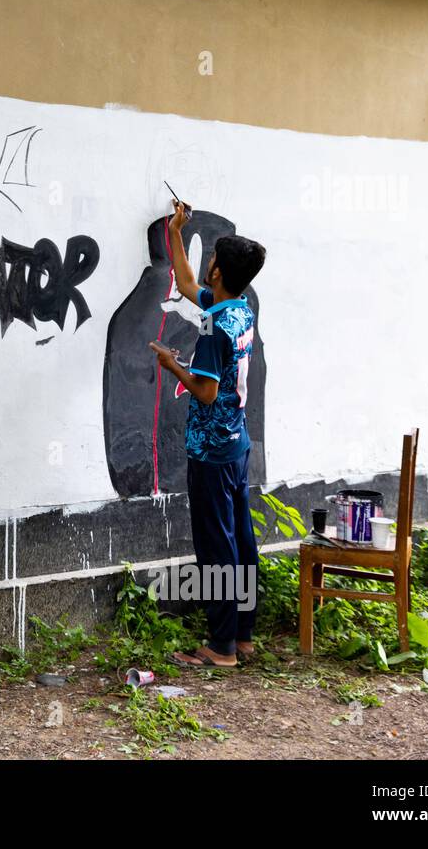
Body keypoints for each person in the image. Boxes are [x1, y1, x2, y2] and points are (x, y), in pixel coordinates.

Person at [148, 199, 266, 668]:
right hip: (236, 447)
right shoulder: (237, 310)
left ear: (219, 270)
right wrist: (176, 230)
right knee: (240, 538)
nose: (207, 263)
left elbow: (206, 390)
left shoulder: (216, 327)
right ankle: (243, 634)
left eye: (212, 257)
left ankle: (220, 647)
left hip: (212, 453)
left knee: (218, 545)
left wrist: (170, 362)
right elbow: (187, 282)